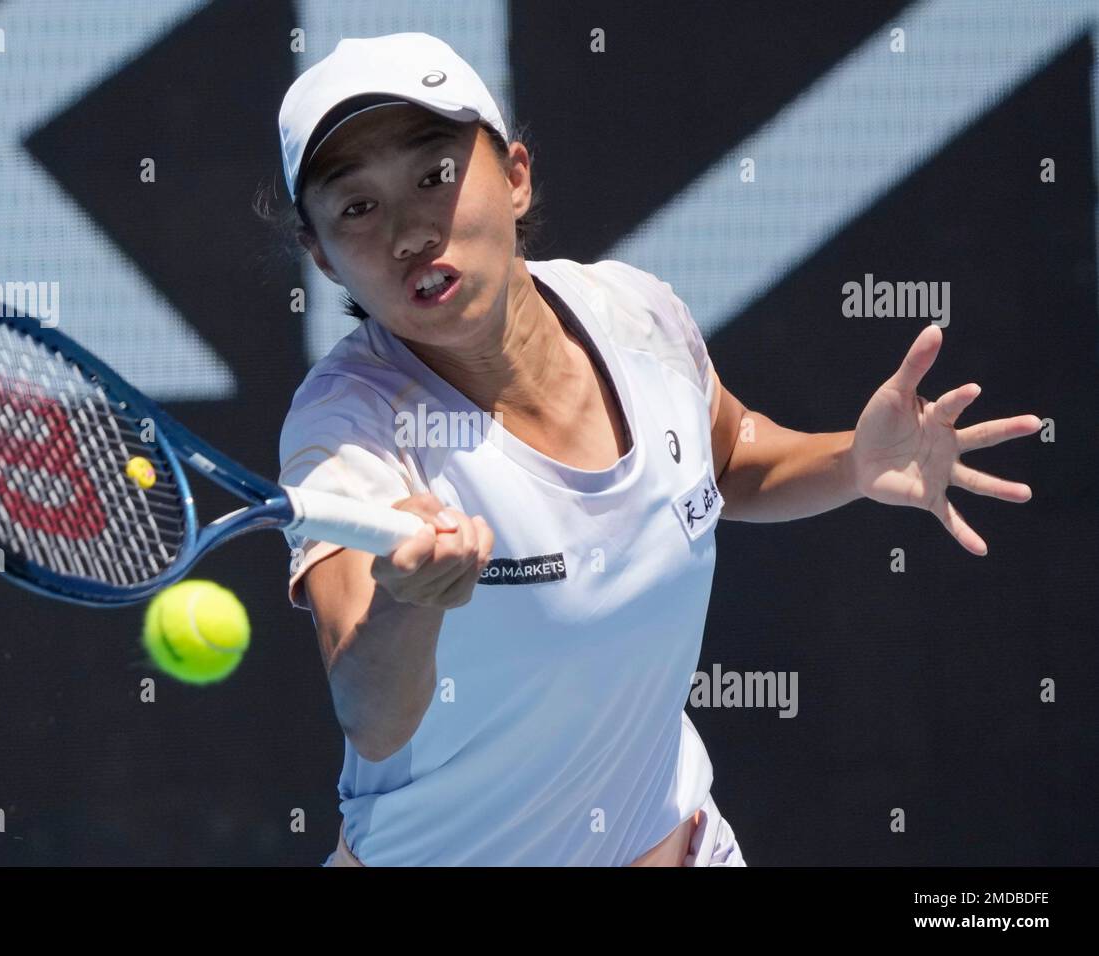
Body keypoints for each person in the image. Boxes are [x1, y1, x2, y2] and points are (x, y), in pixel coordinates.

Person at [271, 32, 1041, 866]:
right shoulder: (344, 429)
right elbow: (373, 716)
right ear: (321, 256)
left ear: (517, 176)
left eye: (435, 176)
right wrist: (406, 599)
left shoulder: (632, 312)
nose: (410, 232)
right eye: (357, 208)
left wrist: (851, 463)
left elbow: (731, 458)